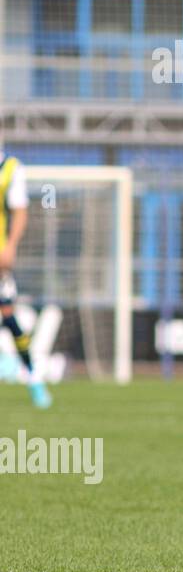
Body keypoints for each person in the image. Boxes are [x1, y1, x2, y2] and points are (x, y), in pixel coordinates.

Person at [0, 152, 51, 408]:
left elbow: (19, 211)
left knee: (8, 315)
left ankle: (33, 377)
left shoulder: (9, 167)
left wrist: (10, 248)